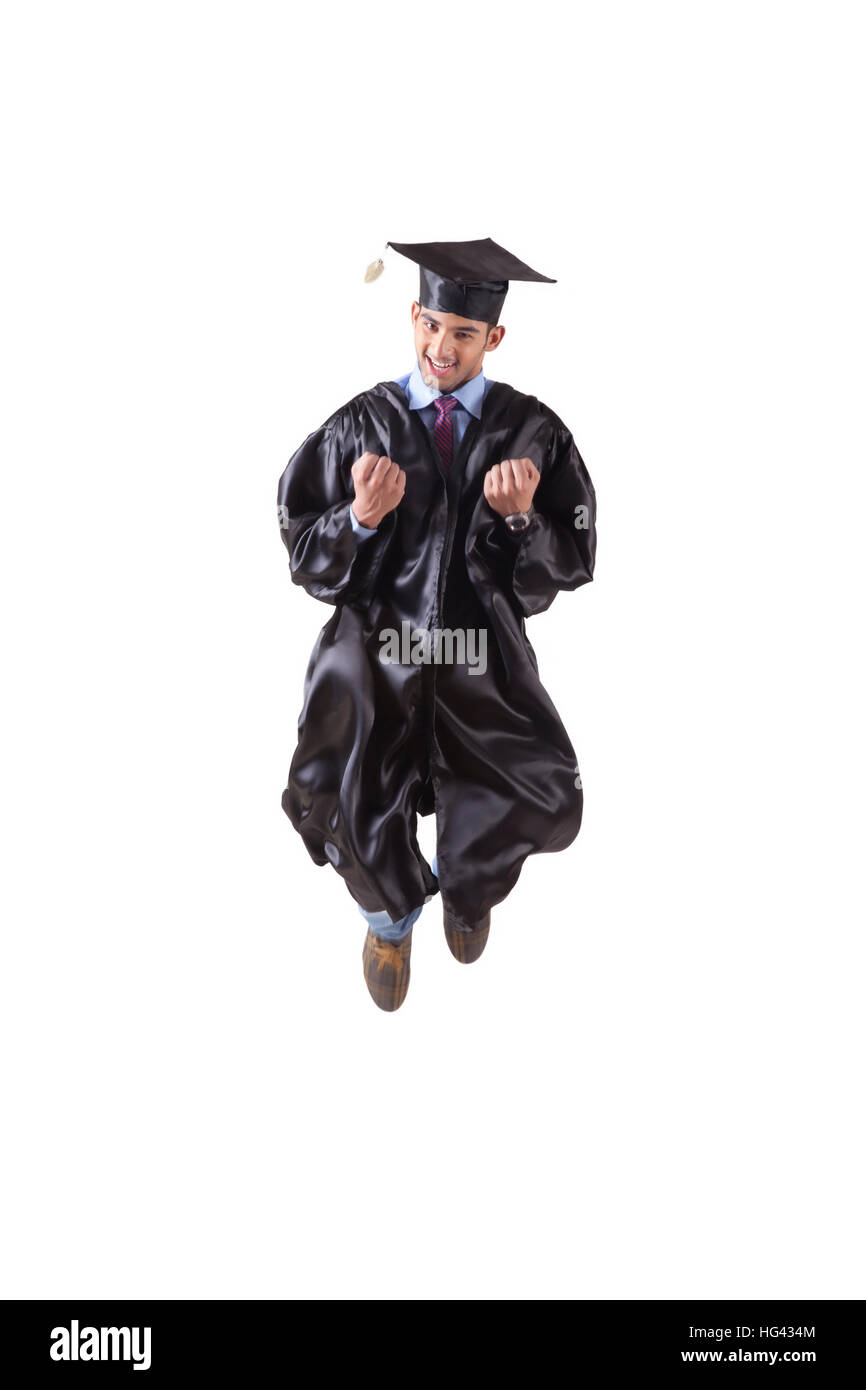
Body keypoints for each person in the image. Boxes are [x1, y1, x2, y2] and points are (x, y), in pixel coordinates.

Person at [277, 238, 597, 1011]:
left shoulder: (532, 434)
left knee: (519, 777)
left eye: (462, 332)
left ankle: (469, 891)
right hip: (376, 647)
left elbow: (570, 562)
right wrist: (358, 519)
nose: (440, 347)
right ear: (412, 315)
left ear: (493, 338)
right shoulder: (361, 425)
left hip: (478, 646)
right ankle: (388, 918)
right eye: (431, 325)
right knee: (351, 784)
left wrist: (522, 522)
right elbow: (305, 555)